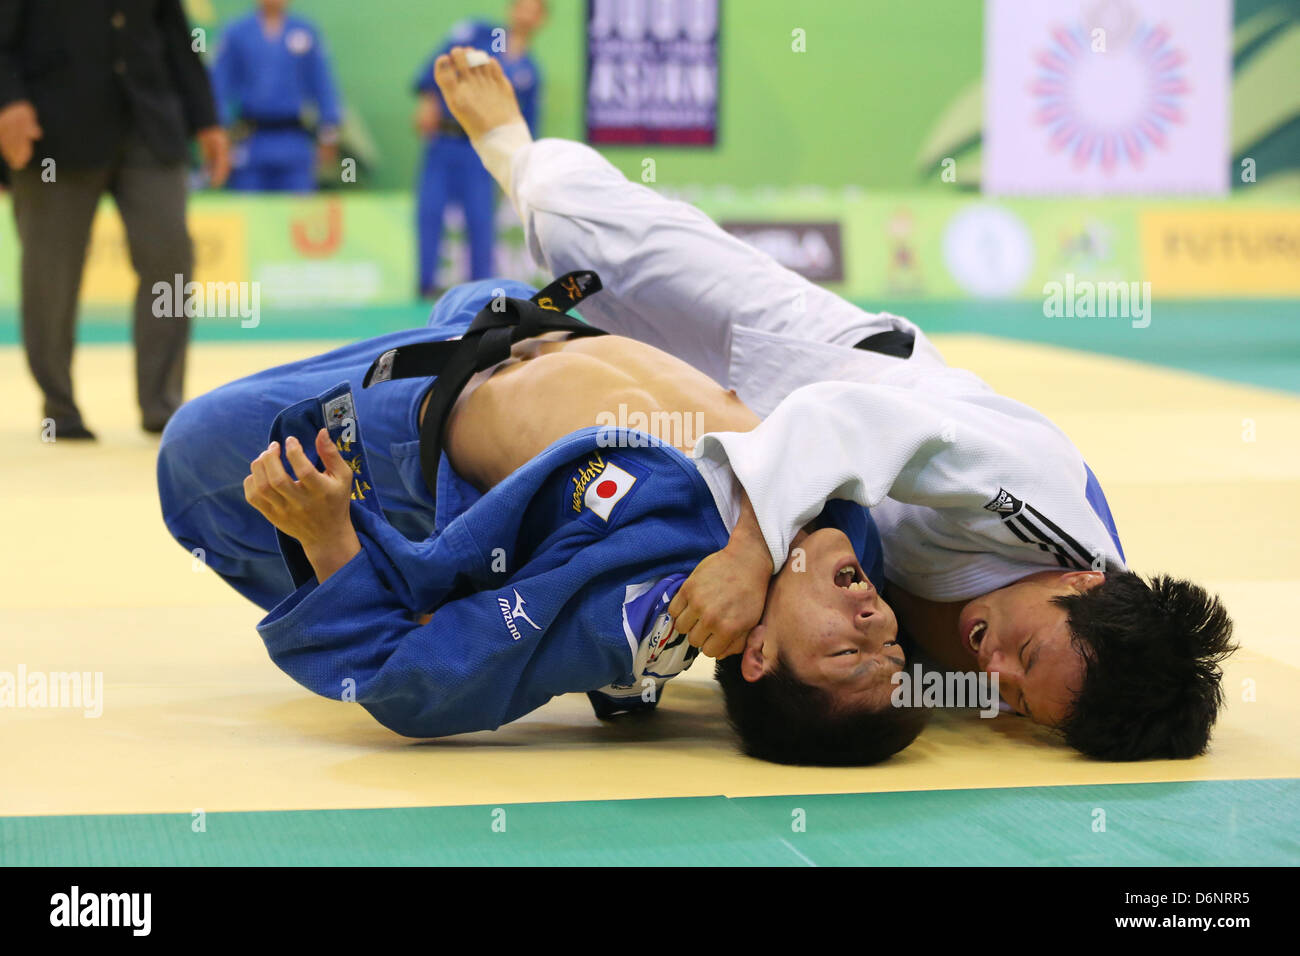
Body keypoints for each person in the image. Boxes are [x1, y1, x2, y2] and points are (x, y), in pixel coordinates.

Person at [433, 46, 1236, 761]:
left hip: (812, 501)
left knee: (602, 439)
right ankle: (513, 147)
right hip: (828, 369)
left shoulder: (1062, 677)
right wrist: (749, 560)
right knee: (602, 247)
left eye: (1022, 702)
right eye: (1023, 656)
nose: (995, 674)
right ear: (1082, 584)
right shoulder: (1034, 493)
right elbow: (837, 421)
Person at [157, 275, 926, 765]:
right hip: (525, 321)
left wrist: (328, 537)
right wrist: (752, 555)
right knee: (472, 290)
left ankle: (394, 574)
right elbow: (852, 409)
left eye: (850, 654)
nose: (873, 618)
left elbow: (414, 688)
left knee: (189, 460)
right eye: (889, 643)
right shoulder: (837, 532)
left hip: (424, 420)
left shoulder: (631, 611)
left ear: (755, 654)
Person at [0, 0, 229, 439]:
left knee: (170, 260)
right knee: (51, 274)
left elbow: (178, 39)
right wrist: (8, 101)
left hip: (149, 124)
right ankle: (59, 408)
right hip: (50, 132)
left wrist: (207, 119)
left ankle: (162, 405)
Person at [411, 0, 546, 296]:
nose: (524, 13)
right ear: (511, 9)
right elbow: (440, 64)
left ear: (541, 20)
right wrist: (427, 101)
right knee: (430, 212)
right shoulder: (479, 35)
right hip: (445, 140)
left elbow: (527, 125)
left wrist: (520, 167)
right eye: (521, 6)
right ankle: (424, 287)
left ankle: (479, 292)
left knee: (481, 219)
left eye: (532, 9)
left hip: (484, 151)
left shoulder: (529, 72)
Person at [211, 0, 342, 192]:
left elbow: (323, 84)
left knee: (297, 214)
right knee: (250, 213)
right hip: (250, 142)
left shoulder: (305, 31)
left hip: (294, 144)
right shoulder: (236, 32)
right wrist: (219, 132)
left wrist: (329, 132)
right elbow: (218, 86)